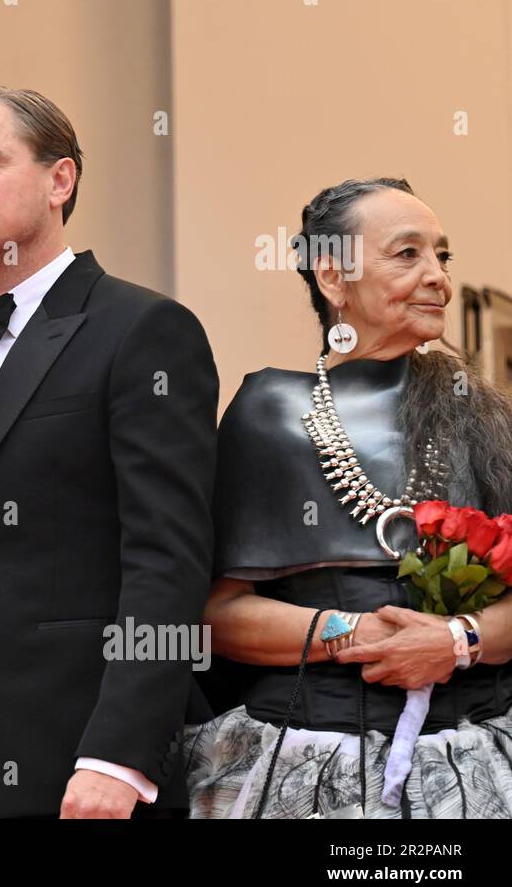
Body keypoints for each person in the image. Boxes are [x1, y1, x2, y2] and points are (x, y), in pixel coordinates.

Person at [0, 84, 218, 819]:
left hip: (81, 771)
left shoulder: (144, 331)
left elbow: (168, 563)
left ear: (59, 179)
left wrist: (120, 758)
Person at [185, 177, 512, 819]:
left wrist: (457, 639)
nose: (438, 279)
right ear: (334, 278)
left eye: (441, 257)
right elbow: (214, 614)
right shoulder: (270, 411)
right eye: (407, 254)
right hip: (306, 770)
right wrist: (357, 634)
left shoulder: (483, 417)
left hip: (476, 773)